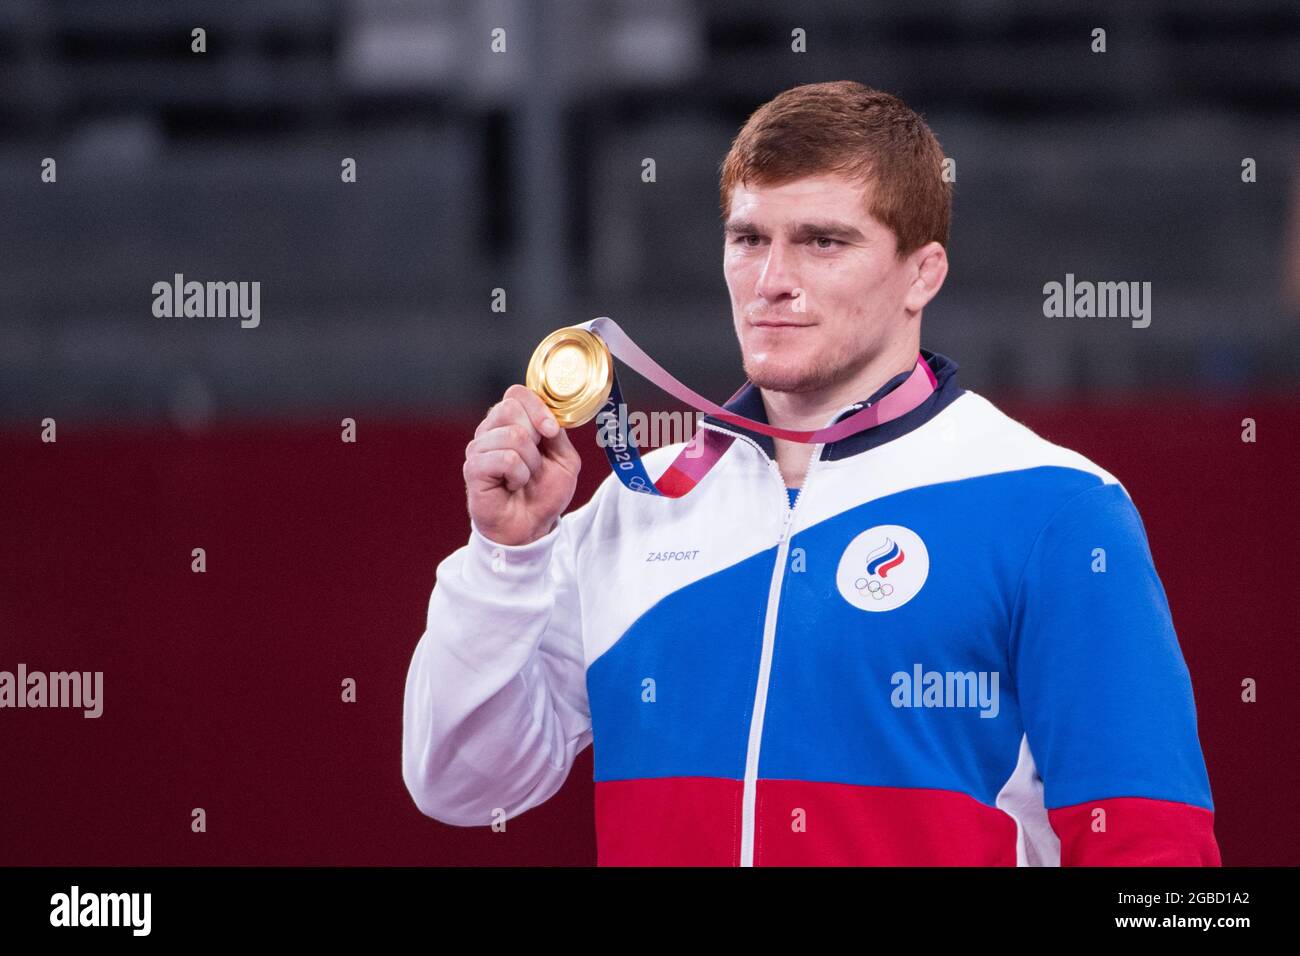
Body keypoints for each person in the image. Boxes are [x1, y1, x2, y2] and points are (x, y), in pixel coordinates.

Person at [402, 80, 1221, 866]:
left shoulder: (1057, 509)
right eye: (749, 239)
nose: (772, 282)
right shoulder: (632, 506)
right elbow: (462, 786)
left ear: (922, 273)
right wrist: (504, 559)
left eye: (823, 241)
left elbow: (1157, 854)